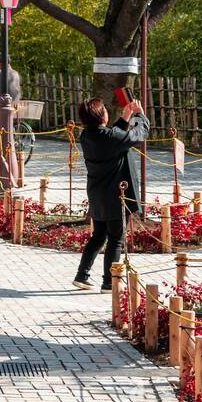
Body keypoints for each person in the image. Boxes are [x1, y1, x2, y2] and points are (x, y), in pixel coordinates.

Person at [73, 94, 150, 293]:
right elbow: (138, 135)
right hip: (116, 194)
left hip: (98, 194)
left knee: (98, 236)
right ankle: (109, 282)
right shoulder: (109, 138)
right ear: (100, 116)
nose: (107, 112)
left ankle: (82, 276)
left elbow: (113, 136)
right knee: (116, 238)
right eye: (105, 110)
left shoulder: (87, 135)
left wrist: (125, 118)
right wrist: (140, 116)